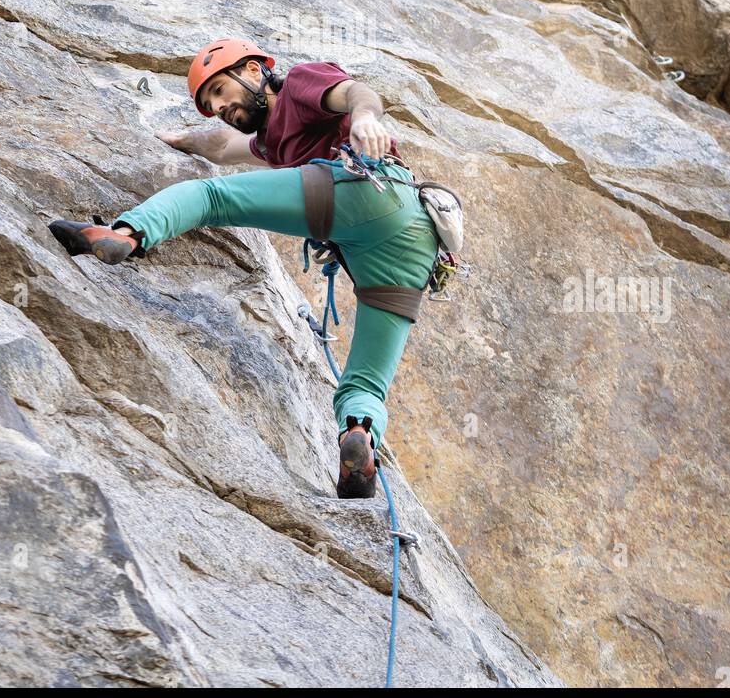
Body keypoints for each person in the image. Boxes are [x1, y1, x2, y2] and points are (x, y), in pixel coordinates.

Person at [48, 37, 440, 498]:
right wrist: (177, 139)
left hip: (364, 186)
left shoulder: (298, 83)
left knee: (210, 198)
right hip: (412, 241)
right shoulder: (271, 140)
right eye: (209, 102)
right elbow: (221, 145)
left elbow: (357, 93)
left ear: (254, 70)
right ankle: (360, 438)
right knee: (366, 380)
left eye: (219, 90)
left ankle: (125, 234)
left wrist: (367, 118)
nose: (217, 107)